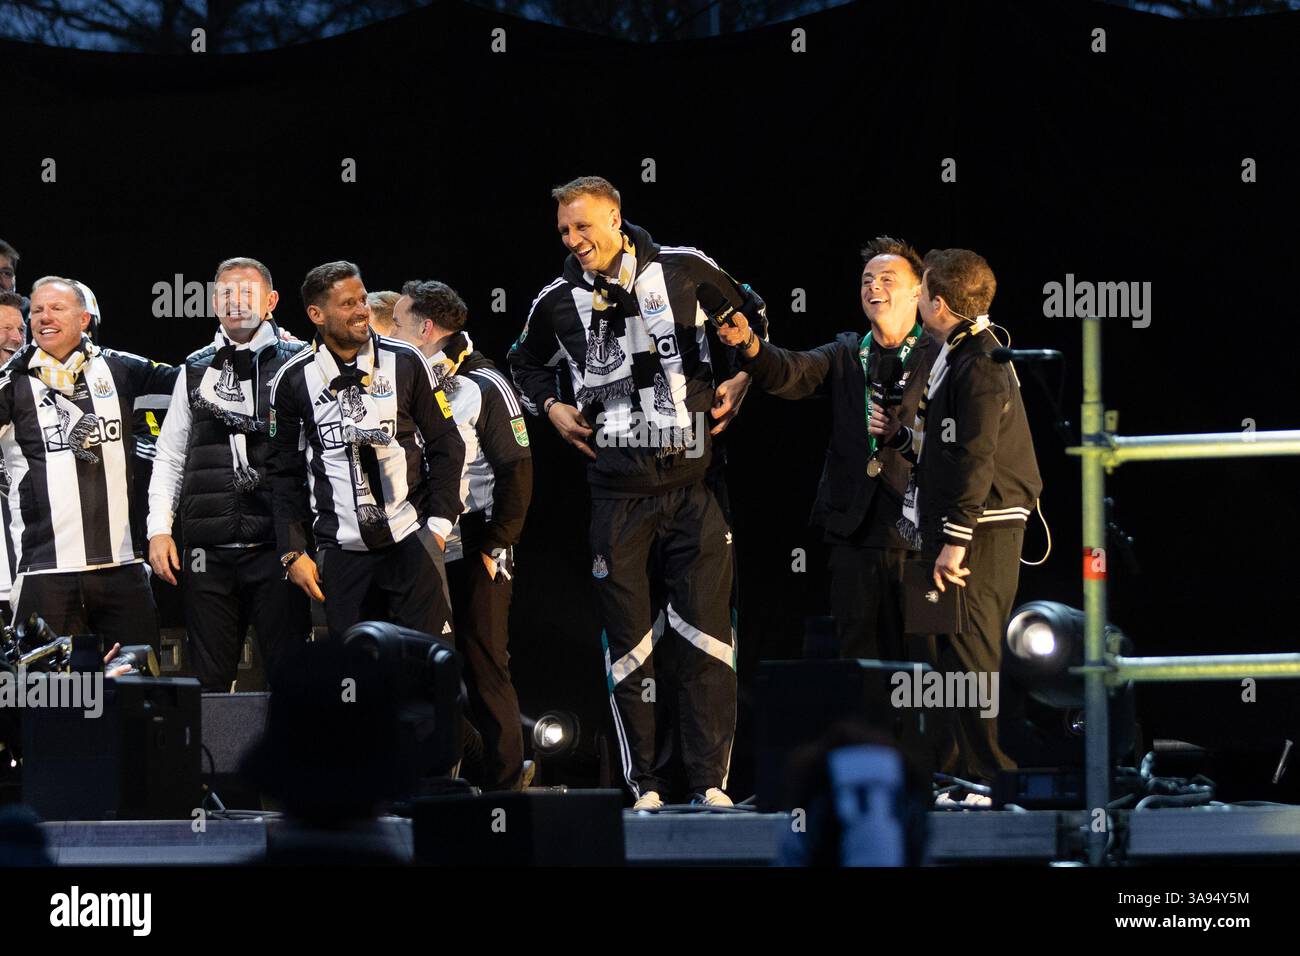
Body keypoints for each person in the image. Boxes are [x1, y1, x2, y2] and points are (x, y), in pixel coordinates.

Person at [508, 175, 762, 809]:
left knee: (706, 636)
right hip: (616, 493)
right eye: (564, 230)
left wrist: (743, 379)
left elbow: (751, 320)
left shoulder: (685, 268)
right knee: (628, 643)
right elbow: (524, 361)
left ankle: (709, 782)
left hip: (695, 484)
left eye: (583, 226)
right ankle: (644, 781)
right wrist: (551, 408)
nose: (573, 239)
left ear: (616, 219)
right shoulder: (557, 298)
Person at [717, 236, 939, 662]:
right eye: (866, 280)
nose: (873, 287)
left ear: (918, 290)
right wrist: (749, 345)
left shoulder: (943, 357)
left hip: (924, 538)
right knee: (856, 666)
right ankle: (864, 733)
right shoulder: (846, 352)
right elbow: (790, 370)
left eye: (887, 279)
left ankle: (928, 732)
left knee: (929, 664)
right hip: (853, 535)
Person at [879, 248, 1043, 790]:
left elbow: (977, 453)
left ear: (939, 303)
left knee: (972, 654)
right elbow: (948, 445)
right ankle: (954, 774)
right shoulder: (959, 349)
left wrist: (955, 540)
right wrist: (901, 437)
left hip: (981, 527)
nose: (917, 298)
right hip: (952, 523)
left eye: (921, 290)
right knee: (941, 654)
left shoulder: (981, 359)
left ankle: (993, 779)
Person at [268, 261, 465, 641]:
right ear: (316, 314)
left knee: (428, 672)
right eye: (348, 304)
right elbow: (284, 474)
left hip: (411, 542)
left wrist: (439, 526)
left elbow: (447, 444)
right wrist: (293, 551)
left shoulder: (406, 361)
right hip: (341, 554)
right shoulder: (292, 380)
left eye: (363, 299)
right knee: (357, 682)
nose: (363, 311)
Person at [389, 279, 534, 791]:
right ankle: (452, 774)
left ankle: (505, 787)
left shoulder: (484, 383)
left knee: (484, 663)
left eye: (400, 323)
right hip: (421, 542)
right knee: (427, 668)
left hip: (477, 543)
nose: (391, 331)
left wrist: (499, 542)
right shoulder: (406, 376)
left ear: (425, 329)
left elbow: (517, 468)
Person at [147, 257, 312, 692]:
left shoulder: (299, 363)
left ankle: (289, 763)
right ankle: (210, 763)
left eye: (246, 292)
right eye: (224, 294)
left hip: (276, 547)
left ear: (271, 301)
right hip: (208, 551)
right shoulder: (195, 367)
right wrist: (158, 529)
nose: (234, 302)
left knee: (290, 680)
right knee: (209, 684)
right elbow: (170, 454)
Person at [0, 276, 179, 647]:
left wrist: (276, 349)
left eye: (56, 308)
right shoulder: (12, 382)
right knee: (46, 697)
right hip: (45, 570)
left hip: (122, 566)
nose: (44, 317)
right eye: (36, 311)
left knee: (139, 692)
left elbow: (189, 380)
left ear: (84, 319)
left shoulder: (118, 368)